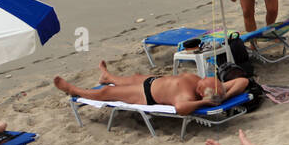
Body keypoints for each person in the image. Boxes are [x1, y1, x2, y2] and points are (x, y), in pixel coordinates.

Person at [53, 61, 248, 115]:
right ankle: (108, 76)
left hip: (147, 94)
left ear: (200, 92)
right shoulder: (213, 86)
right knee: (132, 78)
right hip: (156, 81)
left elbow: (180, 109)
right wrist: (224, 94)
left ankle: (74, 90)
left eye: (202, 82)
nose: (202, 78)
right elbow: (243, 82)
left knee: (107, 93)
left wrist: (206, 102)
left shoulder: (189, 96)